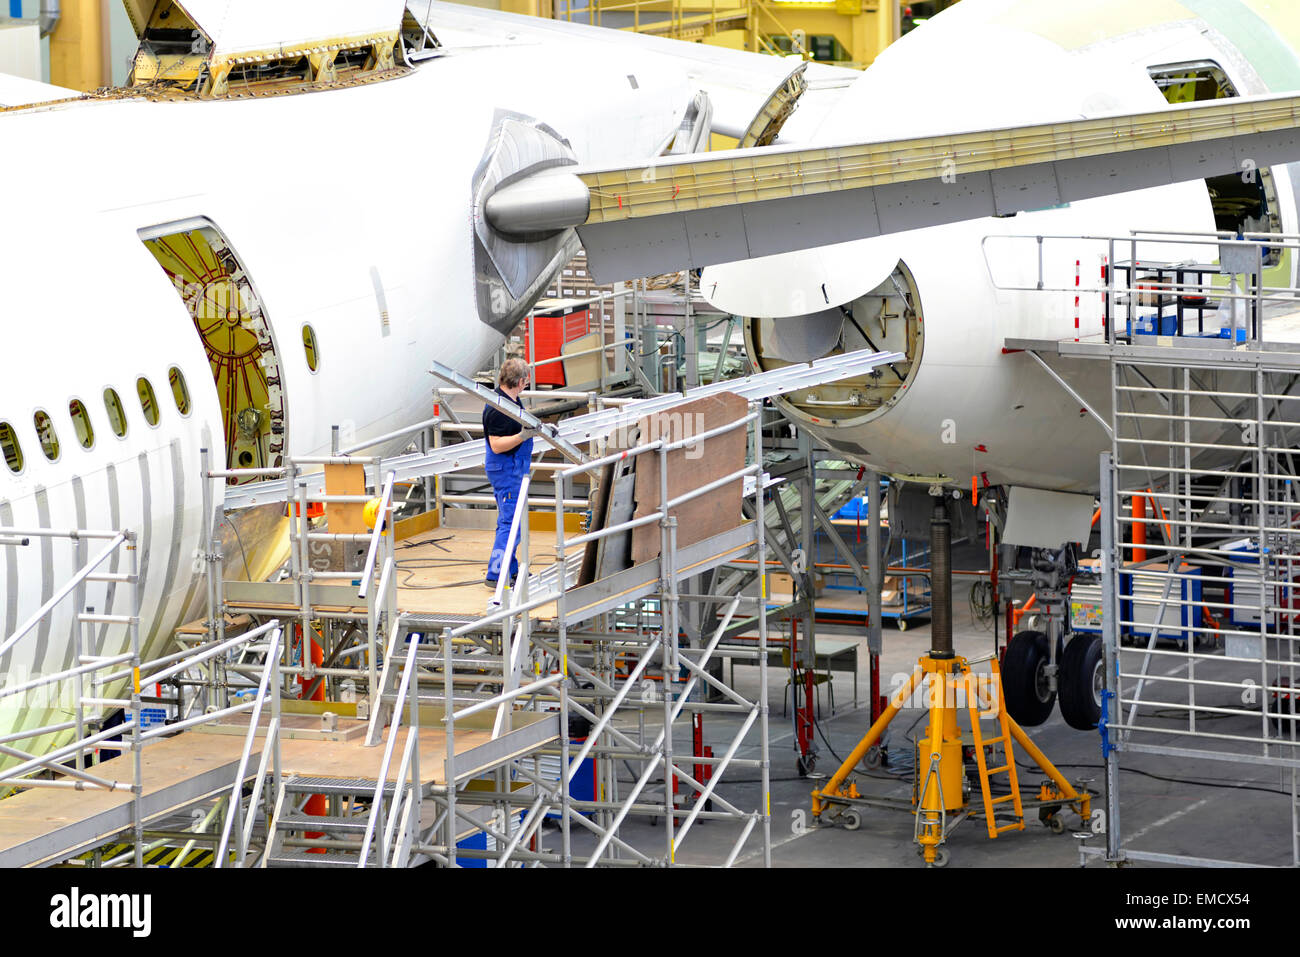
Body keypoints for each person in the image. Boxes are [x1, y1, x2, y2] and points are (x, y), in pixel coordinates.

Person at [482, 357, 534, 587]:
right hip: (506, 468)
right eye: (526, 381)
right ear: (521, 381)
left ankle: (511, 570)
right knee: (511, 523)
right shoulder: (498, 408)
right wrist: (522, 436)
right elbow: (496, 445)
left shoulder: (509, 400)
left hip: (512, 467)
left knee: (510, 521)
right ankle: (496, 574)